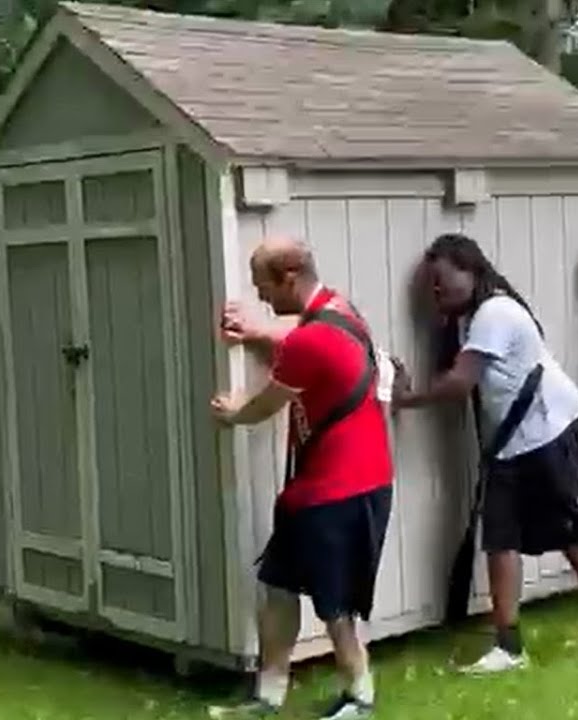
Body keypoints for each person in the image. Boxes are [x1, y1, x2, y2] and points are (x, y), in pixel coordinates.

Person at [390, 233, 578, 674]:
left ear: (471, 271)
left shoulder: (495, 313)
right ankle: (508, 647)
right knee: (500, 538)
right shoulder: (467, 320)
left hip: (550, 430)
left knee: (571, 534)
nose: (436, 291)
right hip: (511, 443)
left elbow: (460, 383)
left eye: (441, 280)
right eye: (430, 284)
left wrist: (407, 398)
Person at [208, 237, 393, 720]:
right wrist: (257, 332)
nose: (261, 296)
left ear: (289, 276)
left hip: (342, 489)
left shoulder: (310, 340)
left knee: (335, 604)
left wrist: (232, 411)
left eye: (263, 285)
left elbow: (264, 404)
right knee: (279, 585)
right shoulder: (340, 310)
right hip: (328, 485)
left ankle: (361, 697)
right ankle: (268, 696)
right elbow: (302, 346)